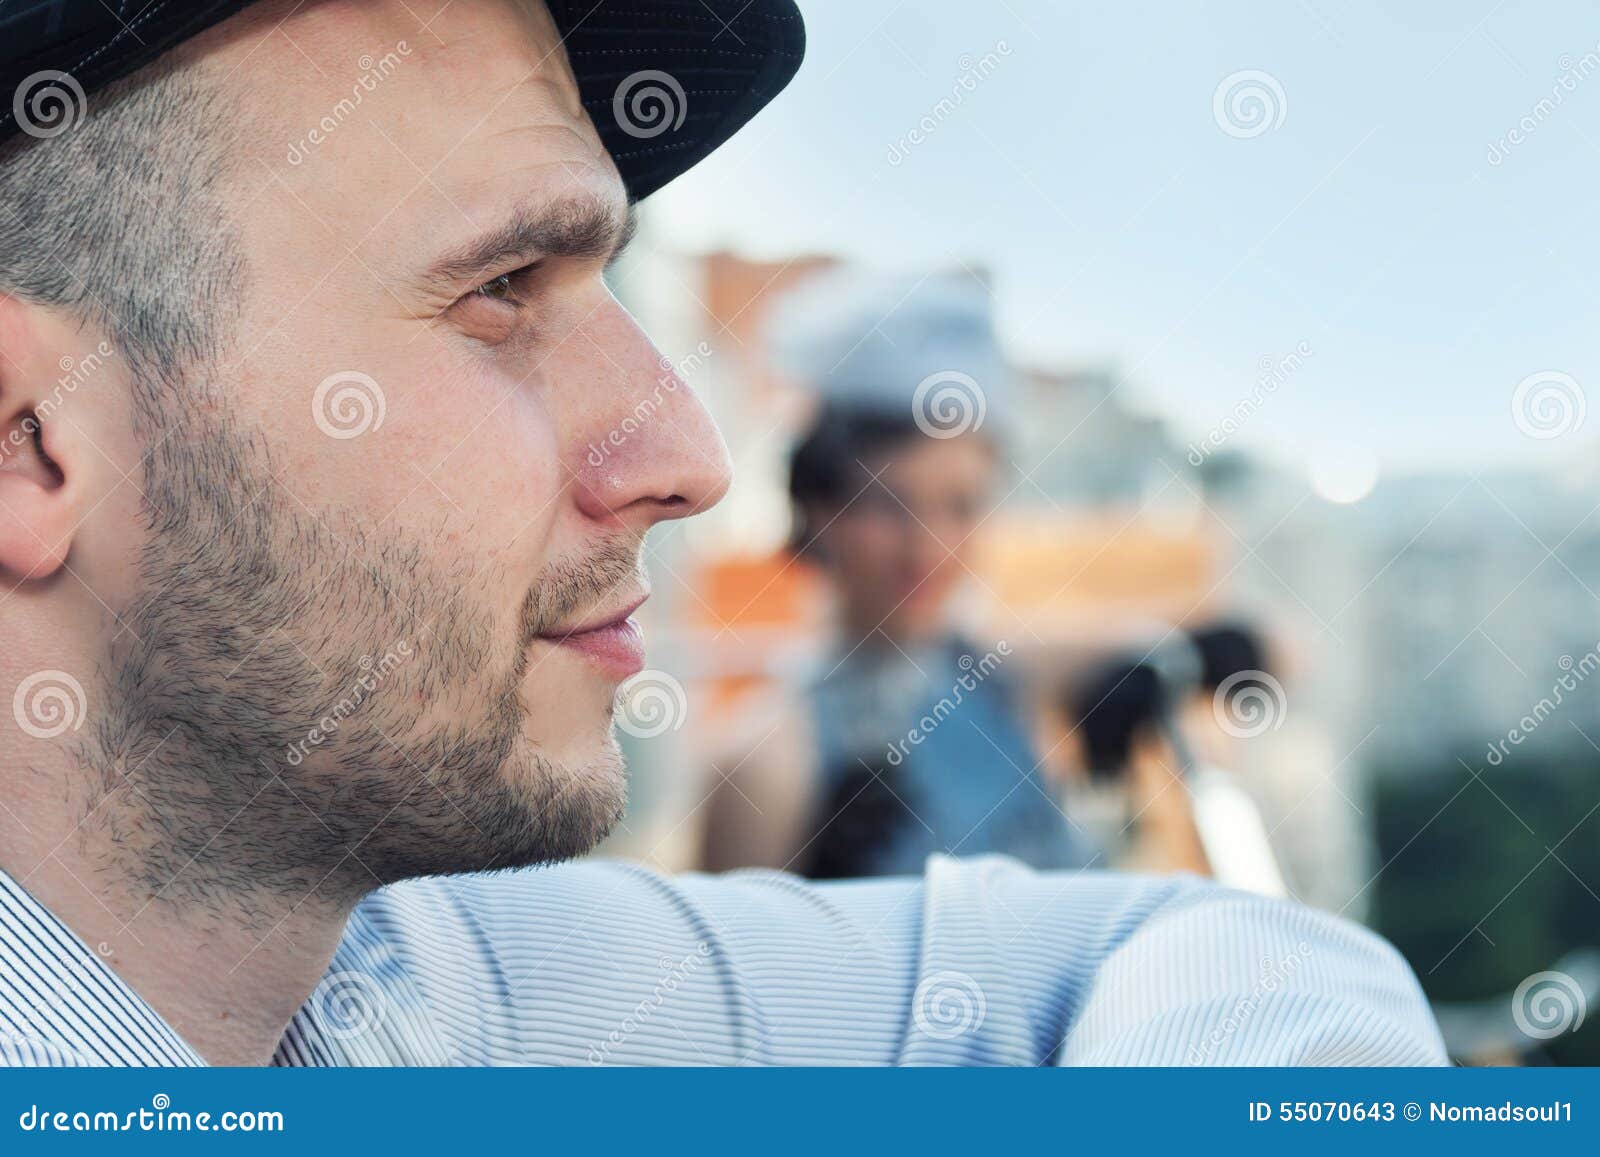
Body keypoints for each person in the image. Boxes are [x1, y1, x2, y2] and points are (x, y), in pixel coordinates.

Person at [0, 0, 1444, 1066]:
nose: (687, 457)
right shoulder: (736, 794)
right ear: (30, 437)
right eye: (502, 286)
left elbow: (1204, 950)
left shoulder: (443, 979)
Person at [699, 272, 1099, 878]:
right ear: (820, 509)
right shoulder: (765, 760)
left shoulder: (1002, 677)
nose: (929, 547)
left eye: (961, 505)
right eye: (889, 504)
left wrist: (1170, 666)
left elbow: (1257, 650)